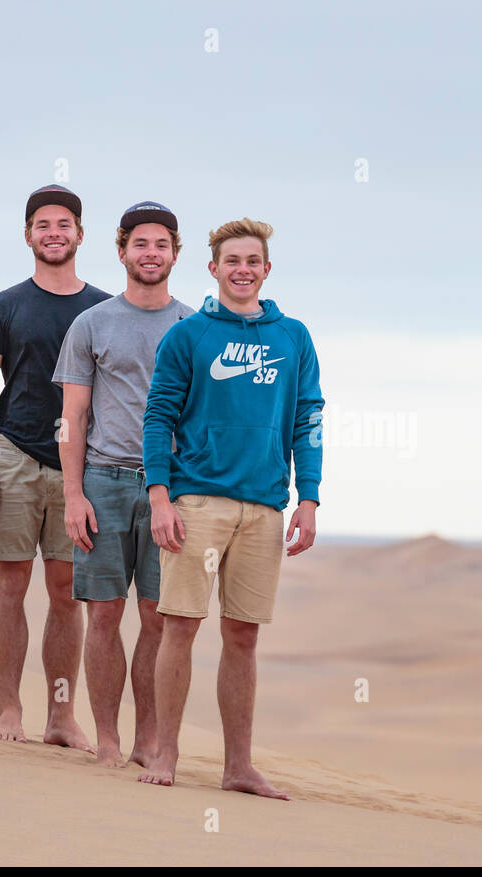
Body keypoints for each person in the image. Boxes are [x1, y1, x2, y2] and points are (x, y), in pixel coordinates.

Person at [138, 217, 324, 799]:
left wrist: (310, 498)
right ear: (213, 269)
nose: (243, 270)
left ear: (266, 270)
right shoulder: (189, 335)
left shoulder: (293, 336)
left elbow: (307, 417)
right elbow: (158, 418)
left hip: (265, 508)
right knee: (181, 626)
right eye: (232, 261)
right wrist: (161, 497)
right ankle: (165, 752)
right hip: (197, 502)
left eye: (253, 261)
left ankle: (237, 766)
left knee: (243, 637)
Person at [0, 184, 109, 750]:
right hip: (15, 457)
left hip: (80, 466)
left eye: (64, 224)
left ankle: (61, 717)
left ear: (80, 234)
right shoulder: (4, 305)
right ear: (28, 235)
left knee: (67, 590)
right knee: (10, 582)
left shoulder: (102, 308)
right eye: (43, 225)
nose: (54, 233)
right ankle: (8, 709)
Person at [53, 201, 194, 767]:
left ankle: (147, 743)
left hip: (172, 491)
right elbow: (73, 416)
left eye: (161, 244)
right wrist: (72, 492)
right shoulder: (90, 324)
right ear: (121, 252)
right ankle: (108, 740)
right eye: (140, 244)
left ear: (176, 254)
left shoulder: (194, 326)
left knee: (159, 619)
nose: (150, 253)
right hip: (104, 483)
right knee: (104, 613)